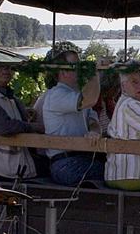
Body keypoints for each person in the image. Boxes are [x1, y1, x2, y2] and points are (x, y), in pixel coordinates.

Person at [41, 47, 103, 186]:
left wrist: (94, 132)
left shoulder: (75, 93)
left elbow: (93, 120)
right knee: (112, 172)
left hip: (81, 158)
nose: (80, 69)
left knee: (115, 168)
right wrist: (94, 72)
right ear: (63, 71)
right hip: (65, 164)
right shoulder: (56, 94)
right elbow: (90, 100)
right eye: (76, 65)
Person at [0, 61, 44, 179]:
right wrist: (33, 126)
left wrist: (25, 113)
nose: (5, 70)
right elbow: (2, 127)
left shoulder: (7, 94)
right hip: (0, 164)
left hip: (16, 159)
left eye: (8, 67)